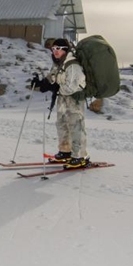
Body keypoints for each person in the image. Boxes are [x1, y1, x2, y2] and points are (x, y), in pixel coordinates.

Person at [31, 38, 89, 169]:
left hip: (74, 99)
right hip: (62, 98)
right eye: (53, 49)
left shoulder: (73, 65)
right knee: (62, 124)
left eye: (58, 49)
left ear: (65, 50)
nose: (55, 51)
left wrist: (55, 87)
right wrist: (42, 83)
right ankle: (65, 151)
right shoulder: (58, 63)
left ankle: (80, 156)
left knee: (76, 126)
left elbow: (71, 86)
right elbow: (52, 77)